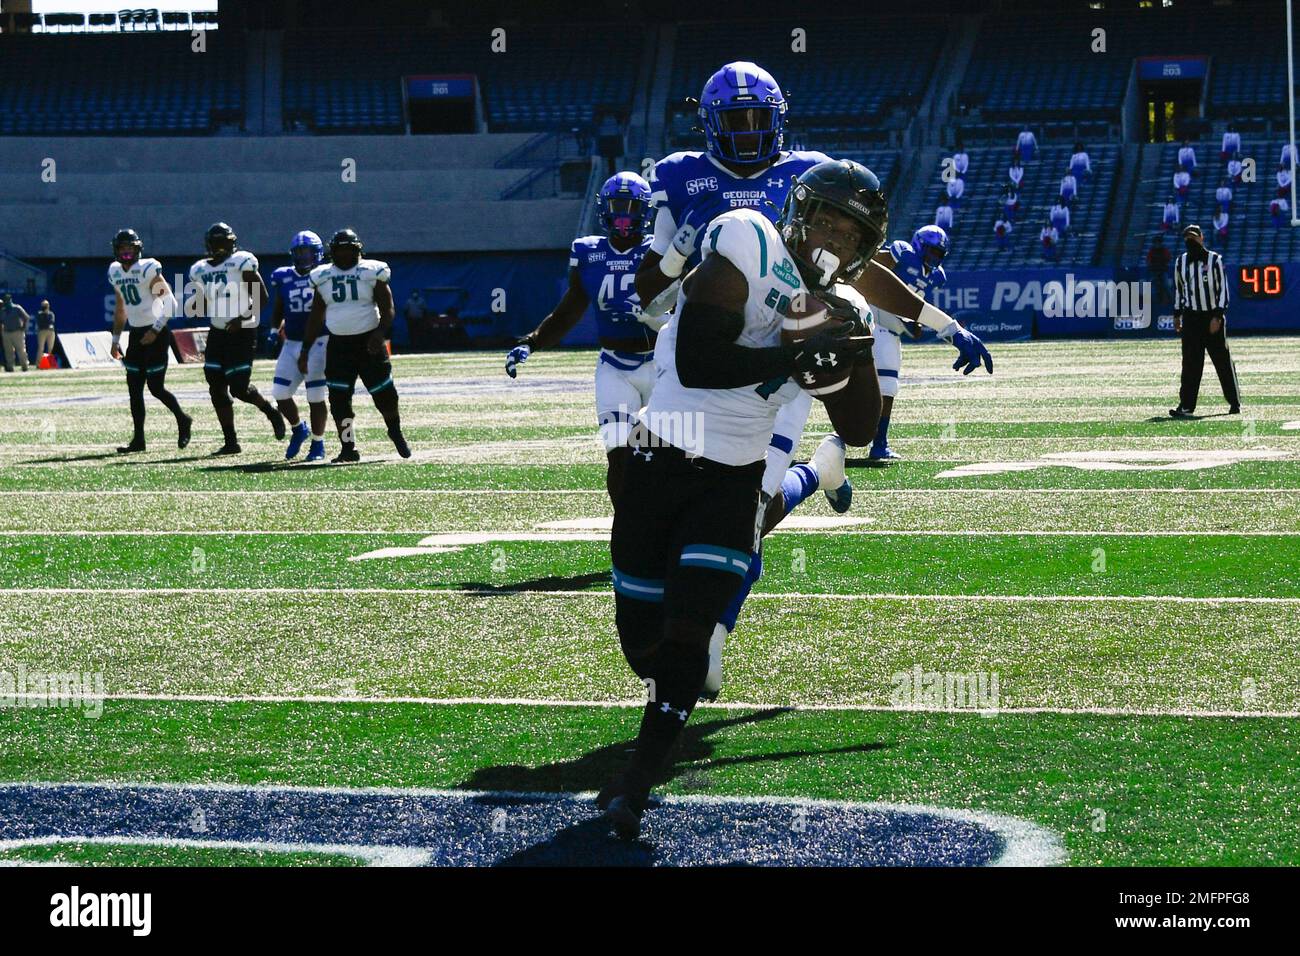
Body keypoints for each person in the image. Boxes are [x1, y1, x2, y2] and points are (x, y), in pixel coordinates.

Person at [599, 161, 885, 840]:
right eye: (823, 218)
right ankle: (648, 739)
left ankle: (634, 789)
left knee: (691, 640)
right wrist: (791, 358)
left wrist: (849, 352)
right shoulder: (749, 239)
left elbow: (861, 426)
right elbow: (700, 359)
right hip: (655, 463)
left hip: (732, 478)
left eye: (849, 233)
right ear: (799, 210)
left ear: (863, 248)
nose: (831, 238)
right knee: (644, 647)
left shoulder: (845, 304)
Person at [506, 172, 657, 504]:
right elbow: (568, 312)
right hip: (616, 367)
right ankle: (628, 530)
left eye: (630, 207)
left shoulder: (660, 250)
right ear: (604, 209)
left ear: (645, 211)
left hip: (664, 365)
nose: (623, 216)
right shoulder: (589, 254)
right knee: (619, 453)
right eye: (617, 207)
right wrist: (530, 341)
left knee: (668, 452)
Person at [301, 228, 409, 463]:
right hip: (339, 345)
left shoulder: (371, 271)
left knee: (385, 395)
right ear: (333, 251)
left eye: (349, 249)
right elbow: (316, 315)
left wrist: (380, 334)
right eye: (340, 250)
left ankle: (395, 430)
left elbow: (388, 307)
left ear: (358, 249)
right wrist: (305, 349)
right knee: (339, 401)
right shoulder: (322, 276)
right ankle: (348, 447)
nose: (345, 254)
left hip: (368, 342)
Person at [189, 222, 285, 456]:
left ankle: (270, 411)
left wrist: (240, 320)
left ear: (232, 244)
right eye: (216, 243)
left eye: (224, 243)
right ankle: (231, 441)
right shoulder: (199, 269)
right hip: (218, 332)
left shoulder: (241, 262)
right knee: (216, 386)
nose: (220, 248)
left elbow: (261, 297)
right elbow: (201, 303)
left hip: (242, 331)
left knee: (239, 388)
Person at [107, 228, 192, 452]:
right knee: (134, 388)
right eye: (122, 249)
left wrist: (154, 330)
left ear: (137, 249)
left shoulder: (147, 269)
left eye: (129, 249)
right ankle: (139, 440)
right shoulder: (115, 272)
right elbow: (120, 308)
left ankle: (183, 419)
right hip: (135, 333)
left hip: (157, 331)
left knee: (155, 387)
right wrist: (115, 339)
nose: (126, 254)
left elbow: (171, 304)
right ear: (116, 251)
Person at [268, 230, 329, 462]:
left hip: (319, 341)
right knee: (280, 393)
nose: (303, 257)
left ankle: (318, 443)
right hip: (291, 341)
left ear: (318, 253)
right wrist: (274, 331)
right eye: (299, 252)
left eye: (308, 252)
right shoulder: (283, 276)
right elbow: (278, 307)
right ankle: (298, 428)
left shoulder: (325, 274)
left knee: (315, 395)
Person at [1171, 224, 1238, 418]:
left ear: (1202, 238)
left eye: (1194, 237)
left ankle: (1234, 402)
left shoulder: (1215, 259)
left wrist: (1218, 316)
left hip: (1211, 318)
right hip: (1192, 317)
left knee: (1222, 361)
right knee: (1190, 363)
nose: (1191, 241)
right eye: (1187, 238)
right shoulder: (1180, 262)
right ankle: (1186, 406)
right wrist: (1177, 315)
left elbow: (1223, 290)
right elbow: (1179, 290)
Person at [1, 293, 30, 372]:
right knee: (8, 351)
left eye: (8, 300)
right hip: (6, 332)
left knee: (21, 350)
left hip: (17, 331)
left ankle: (24, 366)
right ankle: (10, 367)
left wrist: (23, 327)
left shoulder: (17, 308)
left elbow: (26, 317)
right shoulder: (3, 311)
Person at [1147, 234, 1172, 306]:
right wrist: (1151, 266)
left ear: (1160, 243)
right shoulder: (1151, 251)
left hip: (1163, 271)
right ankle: (1153, 302)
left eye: (1158, 242)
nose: (1157, 244)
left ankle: (1170, 300)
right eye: (1155, 243)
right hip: (1154, 271)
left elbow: (1169, 258)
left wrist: (1163, 262)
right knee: (1153, 287)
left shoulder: (1164, 250)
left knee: (1166, 285)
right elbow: (1148, 260)